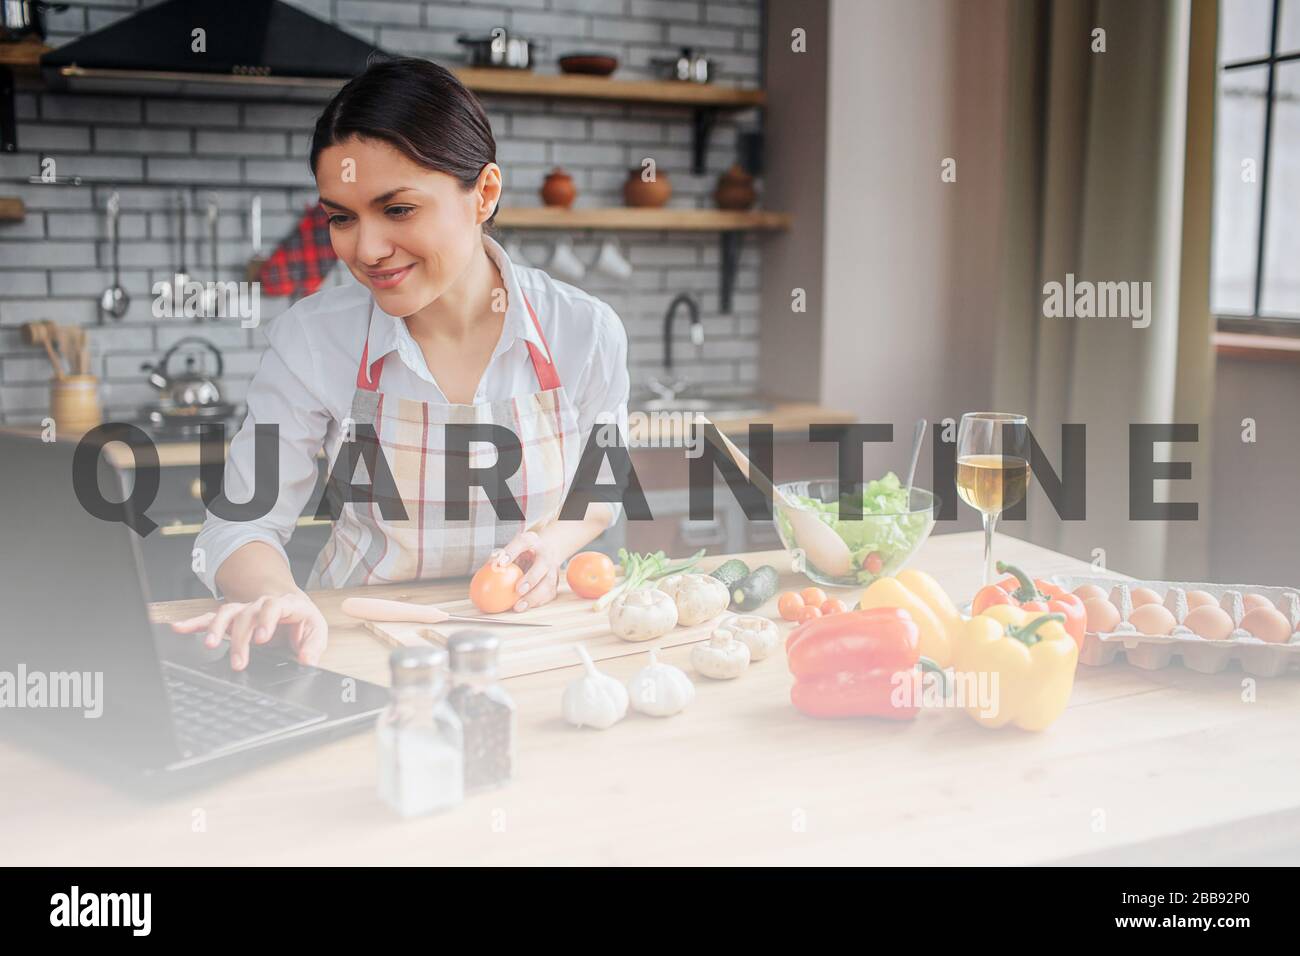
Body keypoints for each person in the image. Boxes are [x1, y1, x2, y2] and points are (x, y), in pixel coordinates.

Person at [171, 58, 630, 671]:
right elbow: (237, 527)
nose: (366, 250)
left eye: (398, 210)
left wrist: (551, 544)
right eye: (341, 217)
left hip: (531, 639)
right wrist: (279, 597)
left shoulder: (583, 330)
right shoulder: (315, 339)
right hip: (356, 646)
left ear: (484, 194)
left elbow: (599, 489)